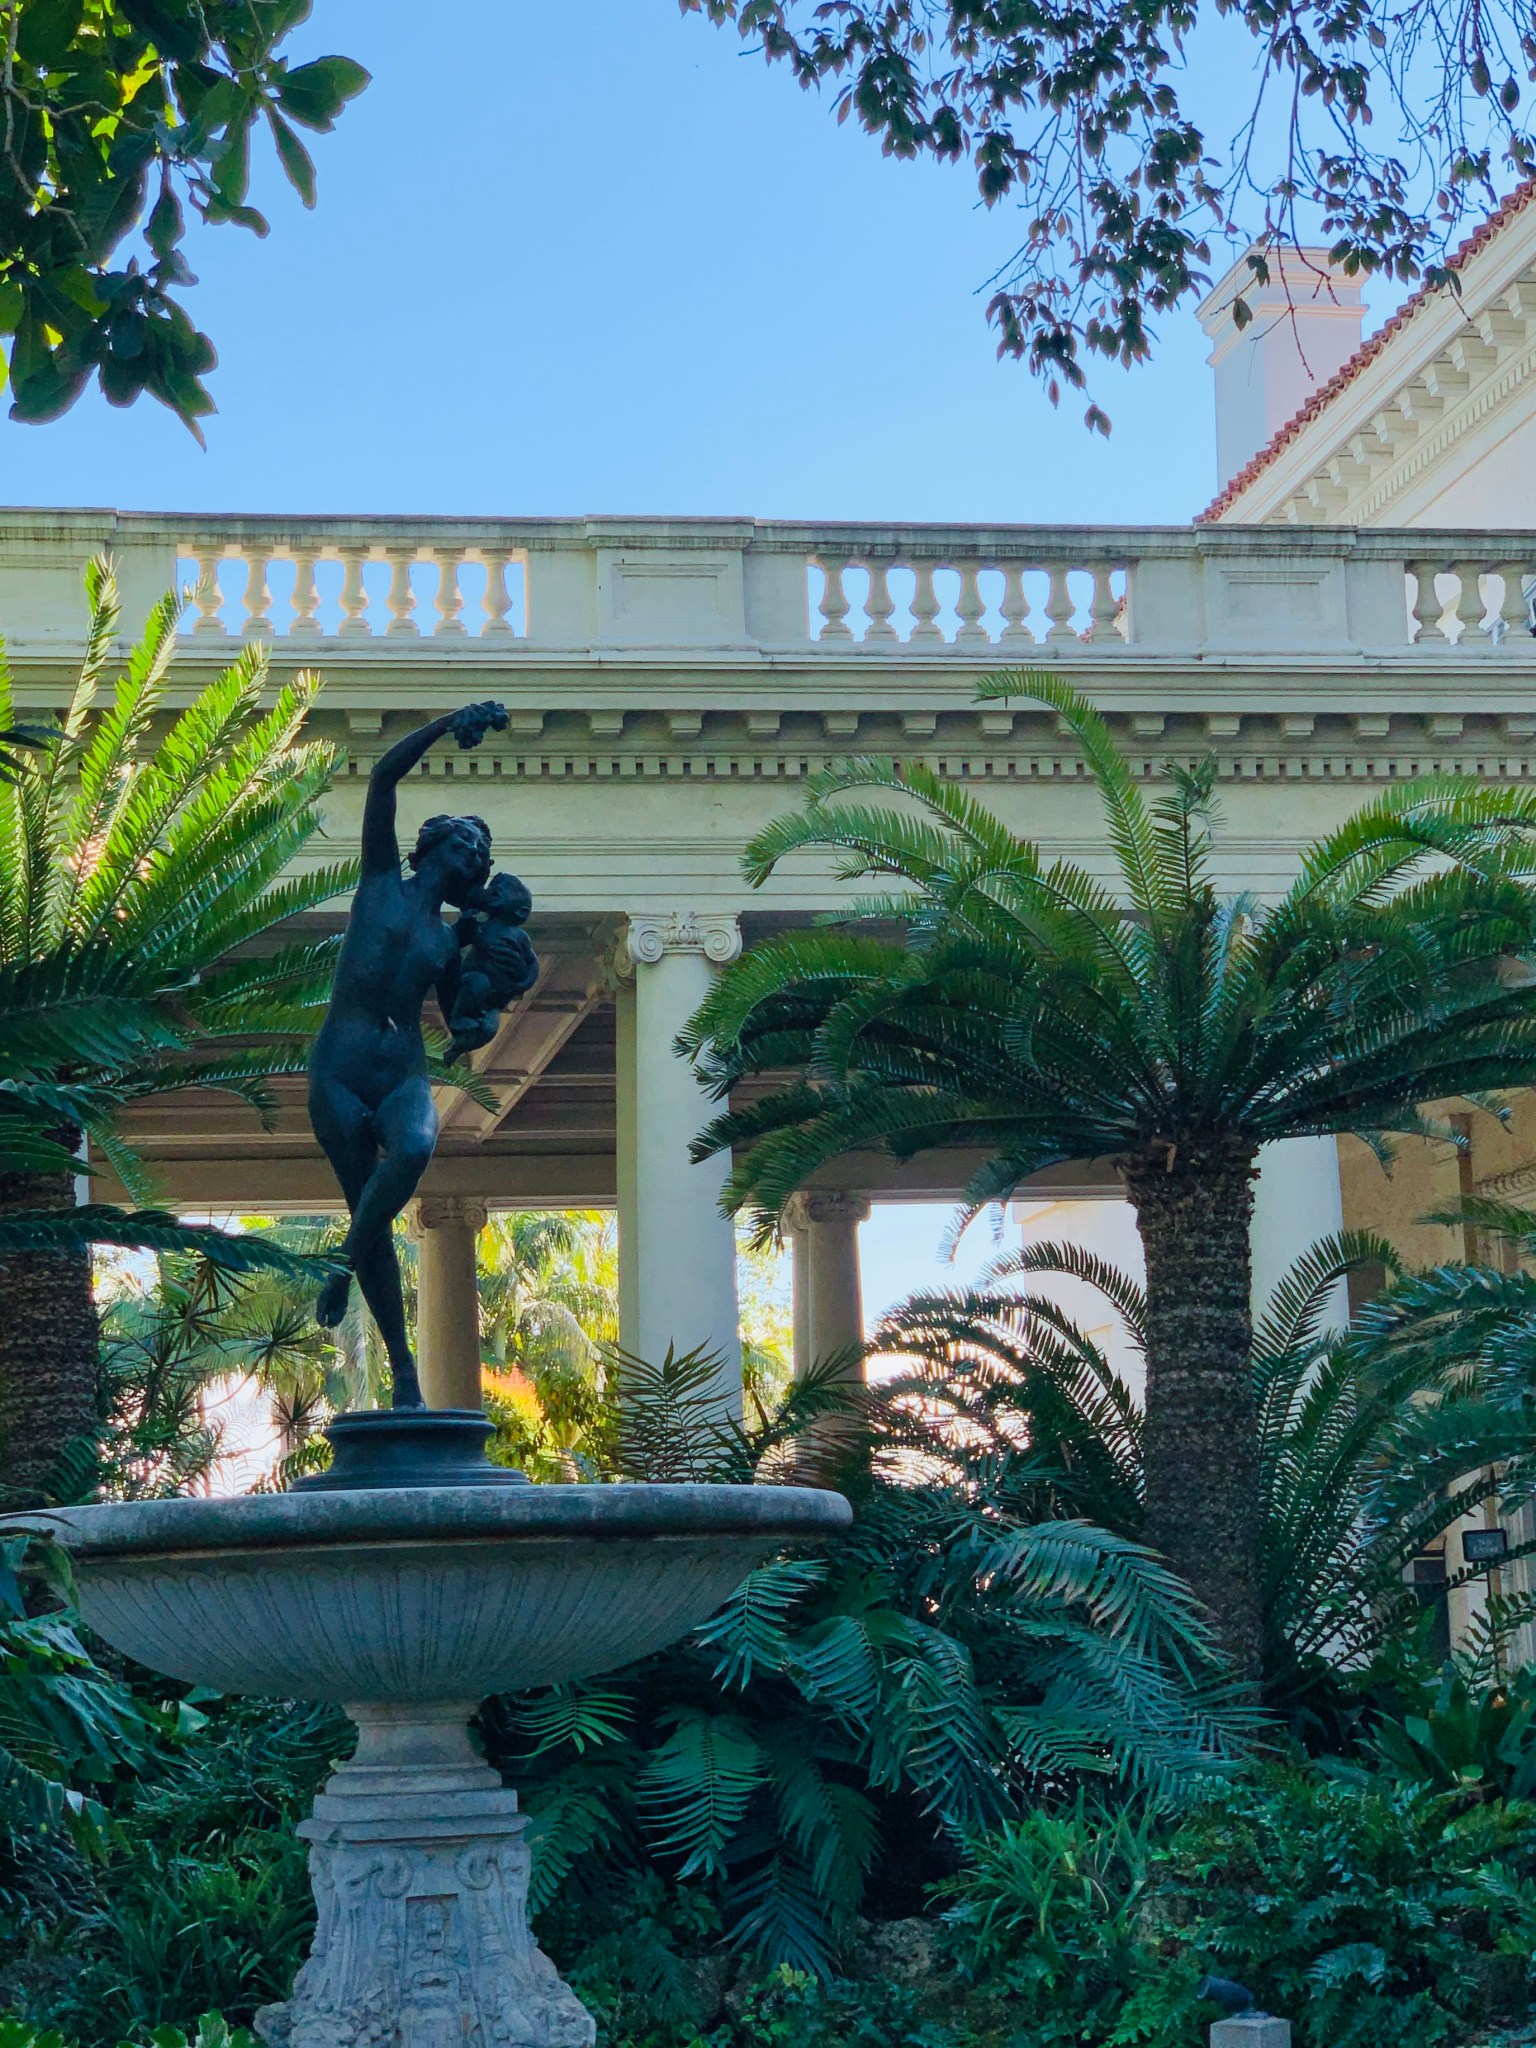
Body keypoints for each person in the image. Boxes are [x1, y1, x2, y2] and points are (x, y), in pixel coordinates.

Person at [308, 700, 513, 1407]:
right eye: (464, 847)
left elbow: (463, 1019)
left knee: (417, 1149)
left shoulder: (447, 941)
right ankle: (402, 1371)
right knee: (367, 1201)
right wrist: (446, 723)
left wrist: (479, 1022)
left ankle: (340, 1262)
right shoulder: (377, 880)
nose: (473, 861)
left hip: (401, 1073)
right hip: (339, 1069)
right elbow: (383, 781)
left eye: (480, 860)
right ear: (433, 848)